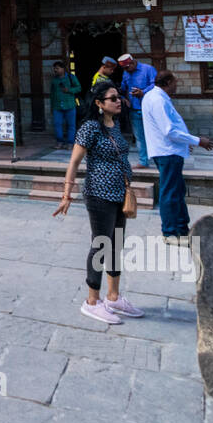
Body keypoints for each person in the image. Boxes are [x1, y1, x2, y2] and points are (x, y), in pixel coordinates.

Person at [54, 81, 144, 325]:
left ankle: (113, 297)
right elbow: (73, 163)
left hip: (119, 194)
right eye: (112, 98)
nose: (118, 101)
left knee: (116, 245)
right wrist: (66, 195)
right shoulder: (89, 128)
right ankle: (92, 301)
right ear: (99, 104)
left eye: (118, 97)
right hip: (98, 194)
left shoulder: (114, 126)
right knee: (101, 245)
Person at [141, 70, 213, 243]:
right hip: (167, 152)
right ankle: (170, 232)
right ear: (167, 82)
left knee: (177, 190)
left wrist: (184, 143)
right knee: (170, 192)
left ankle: (182, 228)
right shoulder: (158, 100)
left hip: (169, 150)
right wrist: (198, 141)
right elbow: (169, 131)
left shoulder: (154, 97)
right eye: (175, 82)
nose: (176, 85)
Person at [118, 54, 156, 167]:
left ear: (133, 63)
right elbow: (123, 88)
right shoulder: (126, 73)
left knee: (154, 134)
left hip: (149, 108)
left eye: (127, 68)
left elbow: (155, 84)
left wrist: (143, 92)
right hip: (134, 109)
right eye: (124, 69)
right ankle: (143, 161)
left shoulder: (148, 69)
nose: (126, 71)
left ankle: (159, 158)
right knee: (139, 136)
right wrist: (124, 99)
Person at [49, 60, 81, 150]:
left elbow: (79, 88)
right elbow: (52, 94)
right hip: (57, 106)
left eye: (57, 68)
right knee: (57, 124)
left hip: (70, 105)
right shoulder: (54, 80)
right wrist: (51, 106)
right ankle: (59, 142)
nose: (55, 70)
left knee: (71, 125)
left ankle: (70, 143)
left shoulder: (71, 77)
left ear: (63, 69)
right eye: (54, 68)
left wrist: (69, 90)